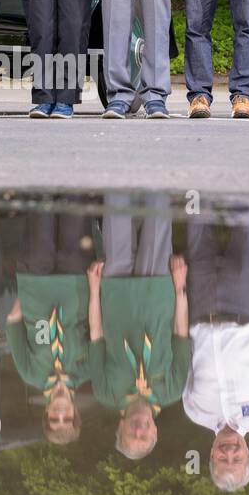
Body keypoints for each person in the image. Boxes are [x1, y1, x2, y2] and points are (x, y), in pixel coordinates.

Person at [180, 219, 249, 491]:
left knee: (196, 221)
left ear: (212, 456)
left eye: (223, 459)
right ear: (248, 455)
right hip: (246, 303)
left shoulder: (194, 411)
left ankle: (196, 176)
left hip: (201, 303)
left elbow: (183, 354)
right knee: (247, 223)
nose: (230, 452)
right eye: (236, 459)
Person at [87, 195, 191, 458]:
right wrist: (180, 288)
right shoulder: (173, 390)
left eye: (131, 435)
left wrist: (94, 290)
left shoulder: (105, 392)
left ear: (120, 427)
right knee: (159, 208)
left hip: (115, 291)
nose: (139, 431)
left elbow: (96, 335)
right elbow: (180, 334)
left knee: (116, 207)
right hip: (157, 288)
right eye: (144, 436)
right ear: (155, 431)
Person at [4, 210, 97, 443]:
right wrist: (95, 288)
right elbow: (96, 328)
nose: (61, 415)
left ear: (46, 414)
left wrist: (26, 289)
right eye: (67, 419)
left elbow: (14, 321)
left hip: (36, 279)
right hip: (75, 281)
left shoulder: (30, 374)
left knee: (42, 211)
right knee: (74, 209)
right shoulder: (86, 370)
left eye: (54, 420)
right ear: (76, 413)